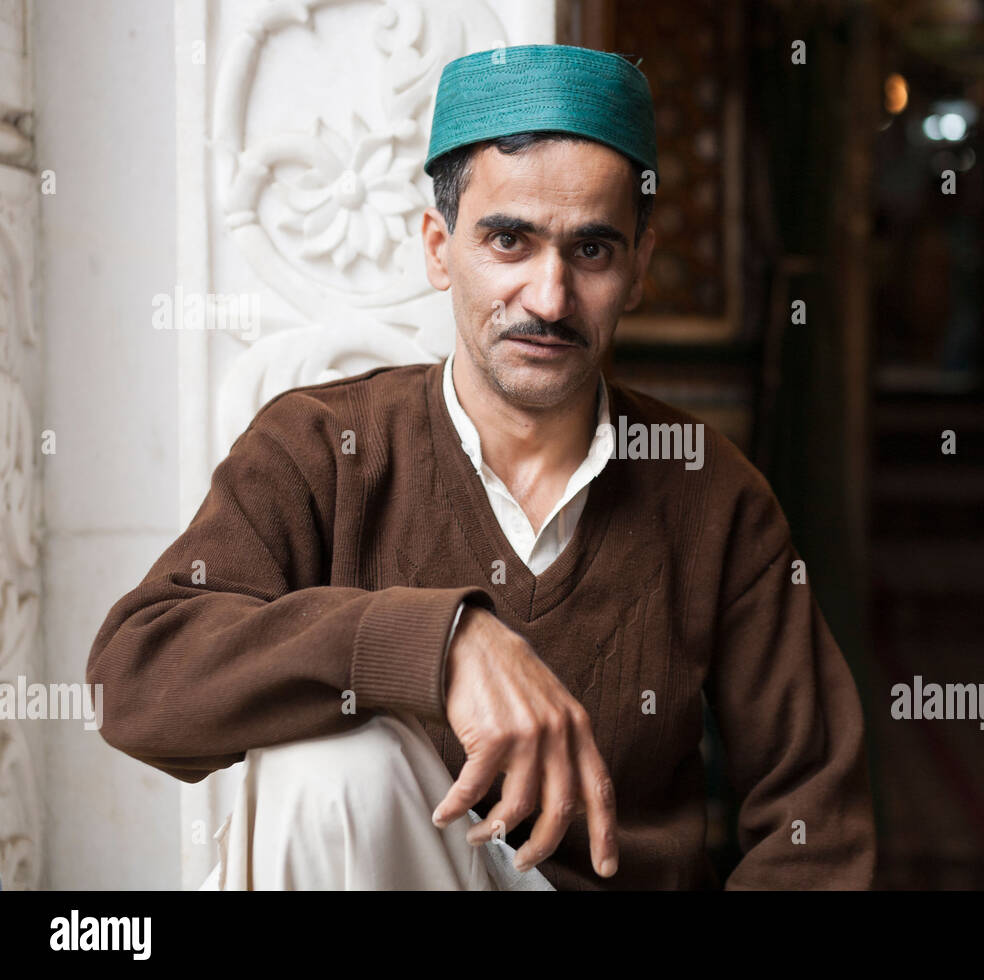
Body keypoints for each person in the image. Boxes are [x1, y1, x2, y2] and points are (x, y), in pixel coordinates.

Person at [87, 43, 876, 890]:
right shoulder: (320, 447)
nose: (548, 297)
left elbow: (814, 820)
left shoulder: (712, 494)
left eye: (593, 251)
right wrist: (439, 642)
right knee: (333, 769)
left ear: (640, 268)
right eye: (509, 240)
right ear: (439, 247)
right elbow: (134, 681)